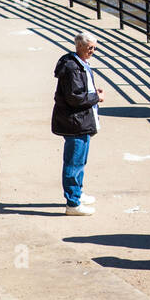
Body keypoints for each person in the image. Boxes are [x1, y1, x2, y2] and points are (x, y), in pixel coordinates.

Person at [51, 30, 103, 216]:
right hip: (75, 122)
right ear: (80, 46)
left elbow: (78, 92)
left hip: (79, 121)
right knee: (74, 163)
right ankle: (73, 203)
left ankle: (77, 194)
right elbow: (74, 98)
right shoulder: (73, 68)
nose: (93, 51)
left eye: (95, 48)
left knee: (80, 160)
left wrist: (92, 93)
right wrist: (96, 97)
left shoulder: (78, 63)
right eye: (90, 48)